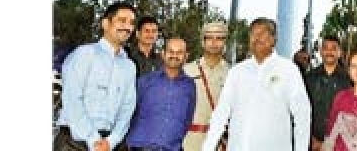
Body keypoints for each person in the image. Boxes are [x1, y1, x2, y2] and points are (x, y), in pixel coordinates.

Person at [200, 17, 310, 151]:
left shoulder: (289, 70)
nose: (256, 38)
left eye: (262, 34)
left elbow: (302, 115)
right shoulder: (237, 72)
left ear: (273, 40)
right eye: (252, 34)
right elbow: (221, 114)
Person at [55, 2, 139, 151]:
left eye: (131, 23)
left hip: (109, 143)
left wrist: (112, 141)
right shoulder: (84, 54)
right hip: (74, 142)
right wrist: (93, 139)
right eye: (122, 20)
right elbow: (72, 99)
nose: (127, 27)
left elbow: (127, 108)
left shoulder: (129, 67)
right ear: (105, 23)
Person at [125, 37, 197, 151]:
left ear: (186, 56)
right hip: (140, 147)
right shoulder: (145, 81)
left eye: (179, 52)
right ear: (163, 54)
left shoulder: (189, 85)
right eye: (171, 51)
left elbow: (187, 119)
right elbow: (129, 112)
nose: (174, 55)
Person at [182, 21, 231, 151]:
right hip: (190, 141)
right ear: (202, 42)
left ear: (225, 42)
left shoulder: (233, 74)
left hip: (220, 142)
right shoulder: (187, 71)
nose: (214, 42)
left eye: (219, 38)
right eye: (209, 38)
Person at [304, 36, 353, 151]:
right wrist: (311, 138)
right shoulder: (309, 78)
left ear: (339, 52)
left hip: (341, 142)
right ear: (321, 52)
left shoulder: (349, 80)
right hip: (314, 143)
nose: (329, 52)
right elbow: (303, 110)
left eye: (334, 48)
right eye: (326, 48)